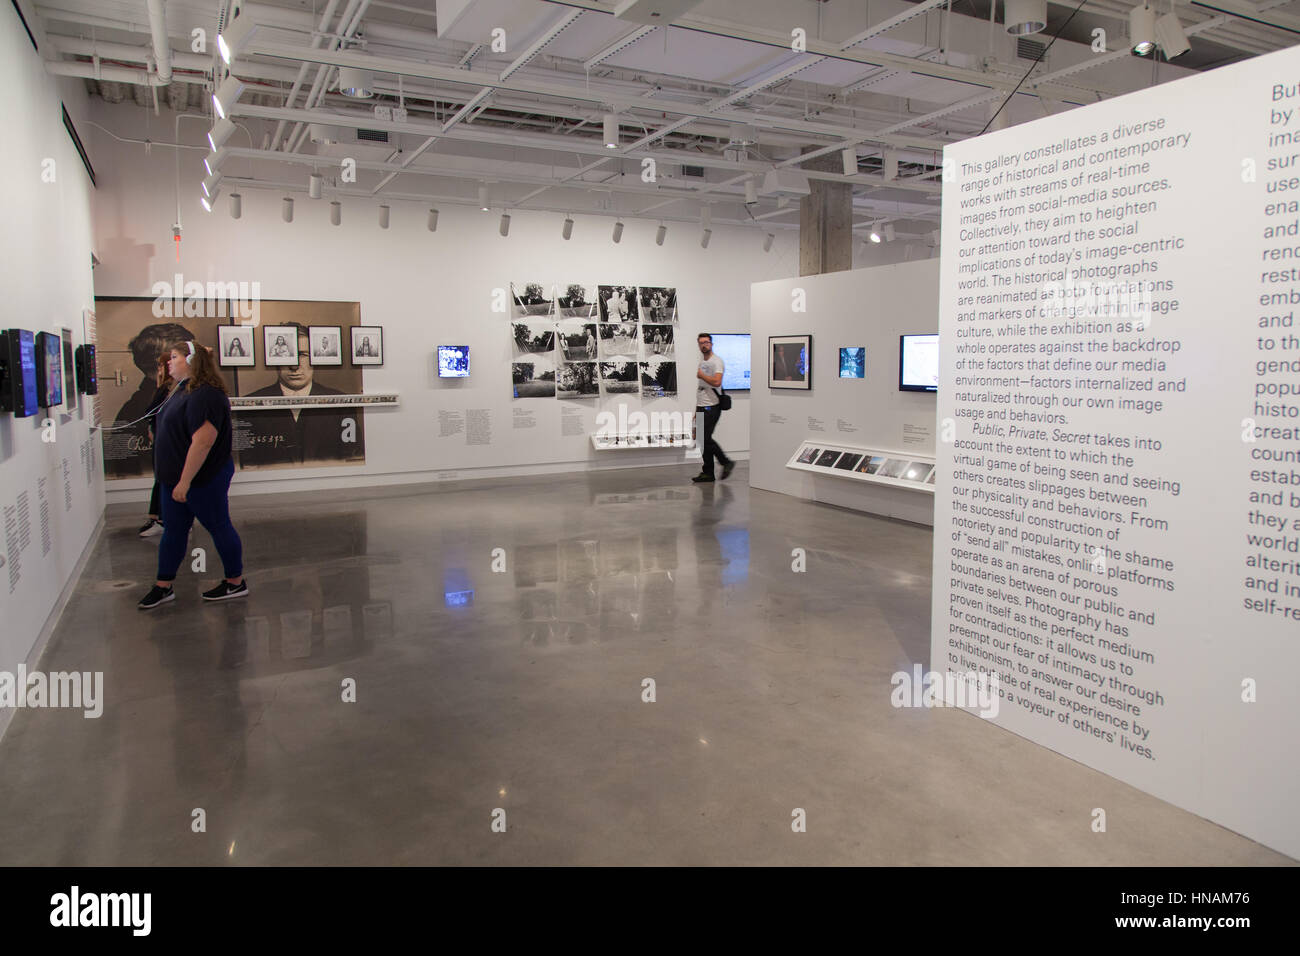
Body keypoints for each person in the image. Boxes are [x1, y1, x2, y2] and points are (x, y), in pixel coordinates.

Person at [137, 340, 247, 609]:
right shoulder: (181, 390)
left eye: (174, 357)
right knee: (173, 531)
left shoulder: (206, 394)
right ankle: (163, 586)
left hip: (201, 479)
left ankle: (235, 582)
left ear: (192, 360)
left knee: (219, 526)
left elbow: (204, 441)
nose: (168, 362)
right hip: (174, 478)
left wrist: (185, 481)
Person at [240, 323, 359, 467]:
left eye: (303, 354)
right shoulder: (247, 407)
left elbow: (352, 458)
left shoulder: (342, 405)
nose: (294, 366)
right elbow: (245, 463)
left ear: (316, 357)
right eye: (287, 354)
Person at [137, 355, 177, 538]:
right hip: (161, 439)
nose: (161, 369)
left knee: (164, 479)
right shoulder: (163, 389)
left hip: (166, 441)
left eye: (163, 364)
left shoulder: (171, 389)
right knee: (160, 480)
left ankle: (164, 520)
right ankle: (158, 518)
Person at [693, 332, 733, 483]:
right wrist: (695, 411)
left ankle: (725, 462)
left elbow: (717, 382)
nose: (704, 345)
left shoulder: (717, 362)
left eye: (706, 342)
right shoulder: (703, 362)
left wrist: (701, 375)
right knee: (701, 440)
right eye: (701, 343)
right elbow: (701, 388)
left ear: (712, 344)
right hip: (702, 405)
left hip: (712, 406)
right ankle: (708, 472)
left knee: (705, 438)